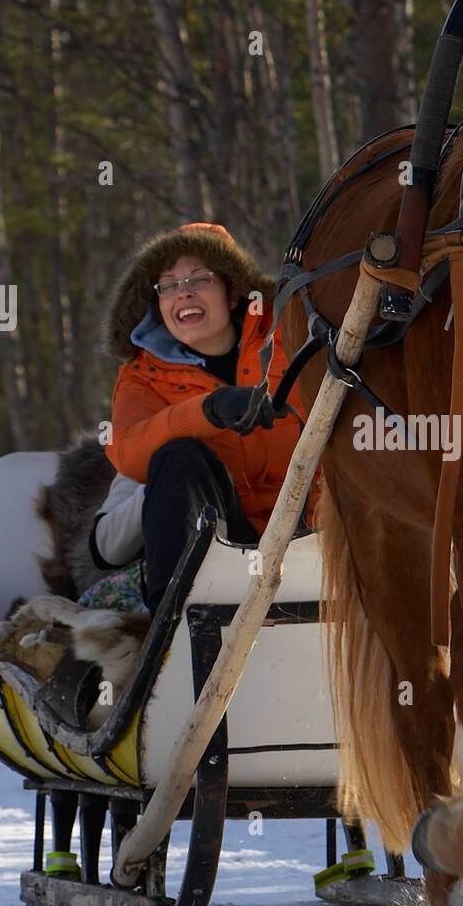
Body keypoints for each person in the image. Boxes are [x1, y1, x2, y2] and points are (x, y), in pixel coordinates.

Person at [95, 222, 312, 613]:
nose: (185, 292)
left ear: (232, 292)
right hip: (225, 548)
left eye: (200, 278)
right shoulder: (143, 377)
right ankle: (174, 627)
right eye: (168, 285)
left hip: (315, 539)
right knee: (178, 457)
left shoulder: (291, 335)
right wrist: (207, 412)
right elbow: (127, 452)